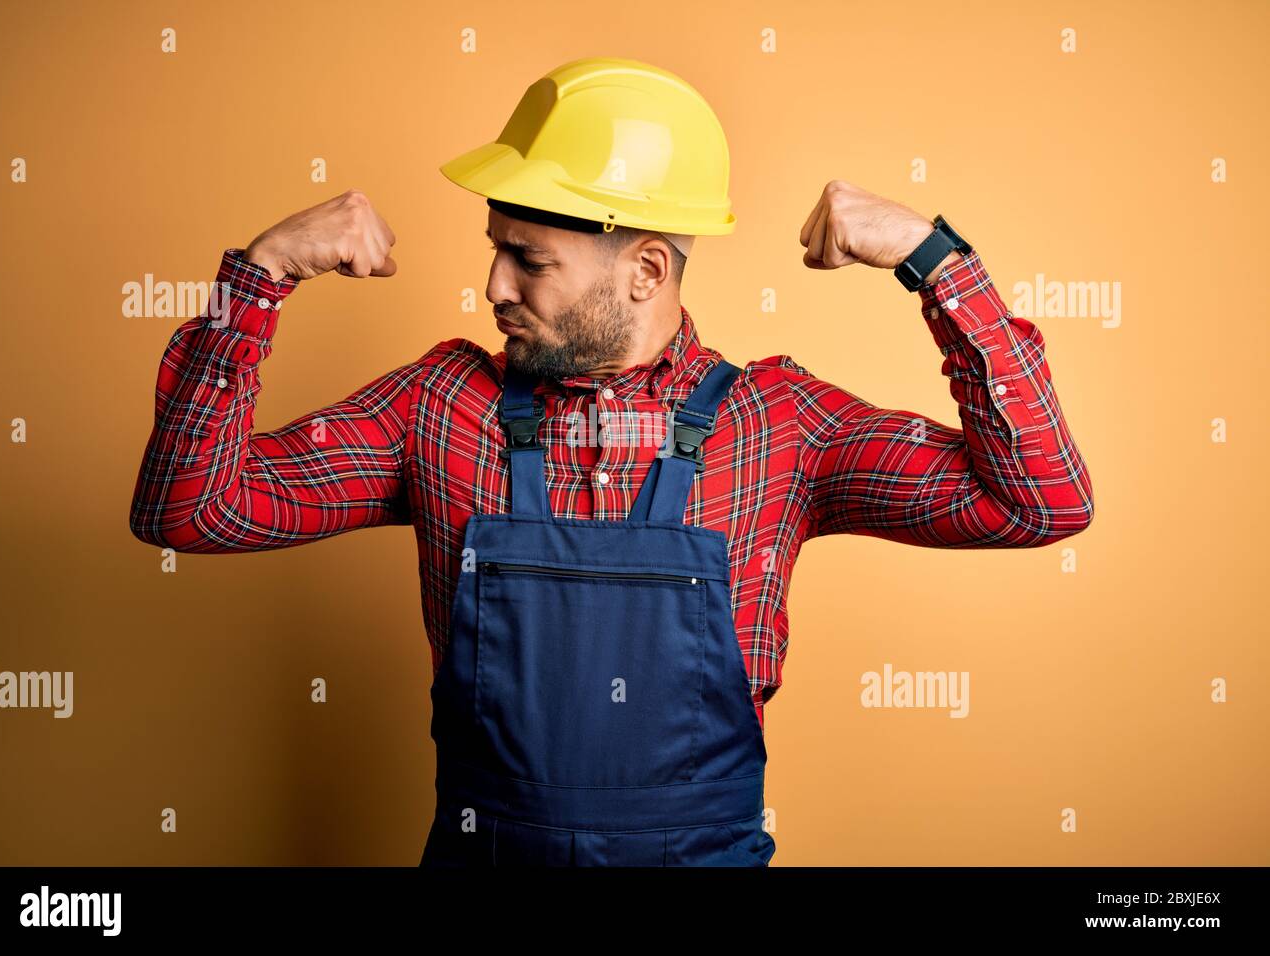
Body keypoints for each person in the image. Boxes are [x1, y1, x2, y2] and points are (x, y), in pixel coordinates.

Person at [129, 57, 1093, 866]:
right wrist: (259, 279)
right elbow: (190, 510)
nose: (492, 285)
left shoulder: (777, 425)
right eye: (495, 249)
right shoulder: (440, 405)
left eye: (529, 259)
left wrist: (937, 259)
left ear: (645, 273)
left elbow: (1040, 503)